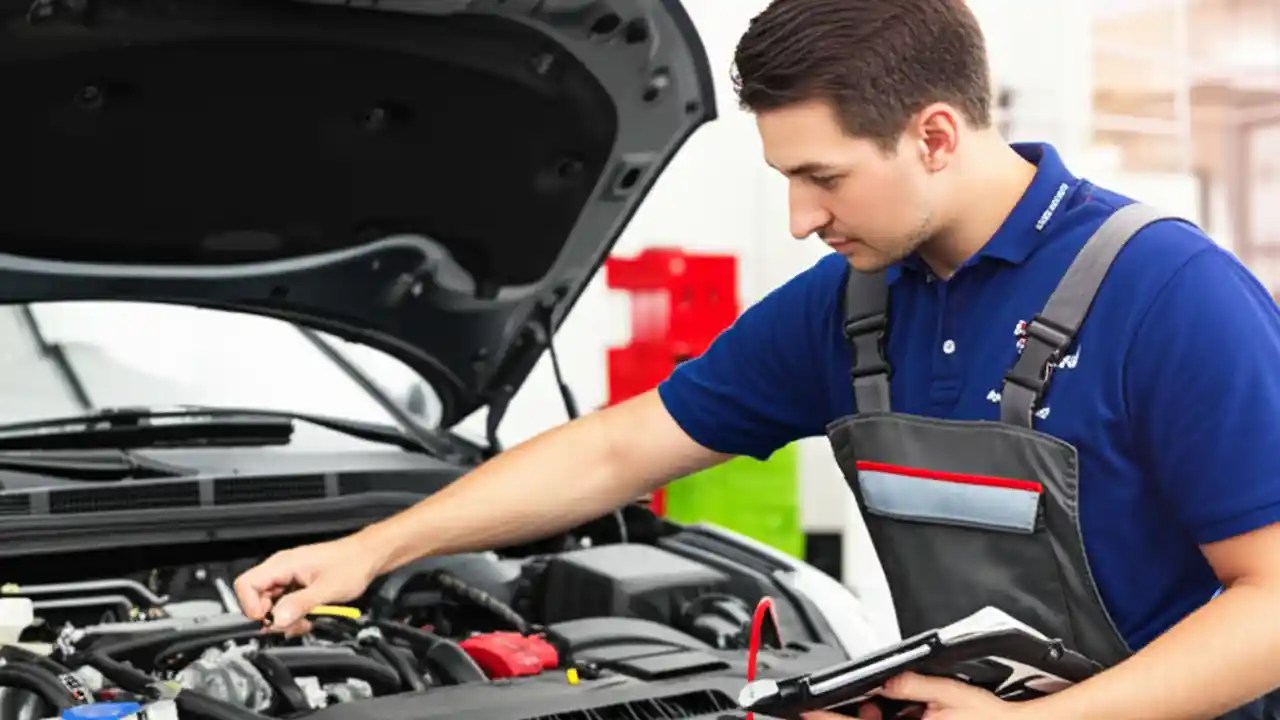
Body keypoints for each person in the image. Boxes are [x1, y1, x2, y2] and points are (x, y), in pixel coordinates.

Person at [234, 0, 1280, 717]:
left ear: (931, 135)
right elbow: (619, 449)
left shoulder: (1168, 297)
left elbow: (1272, 603)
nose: (796, 217)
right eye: (784, 176)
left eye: (821, 176)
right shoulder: (851, 307)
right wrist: (375, 550)